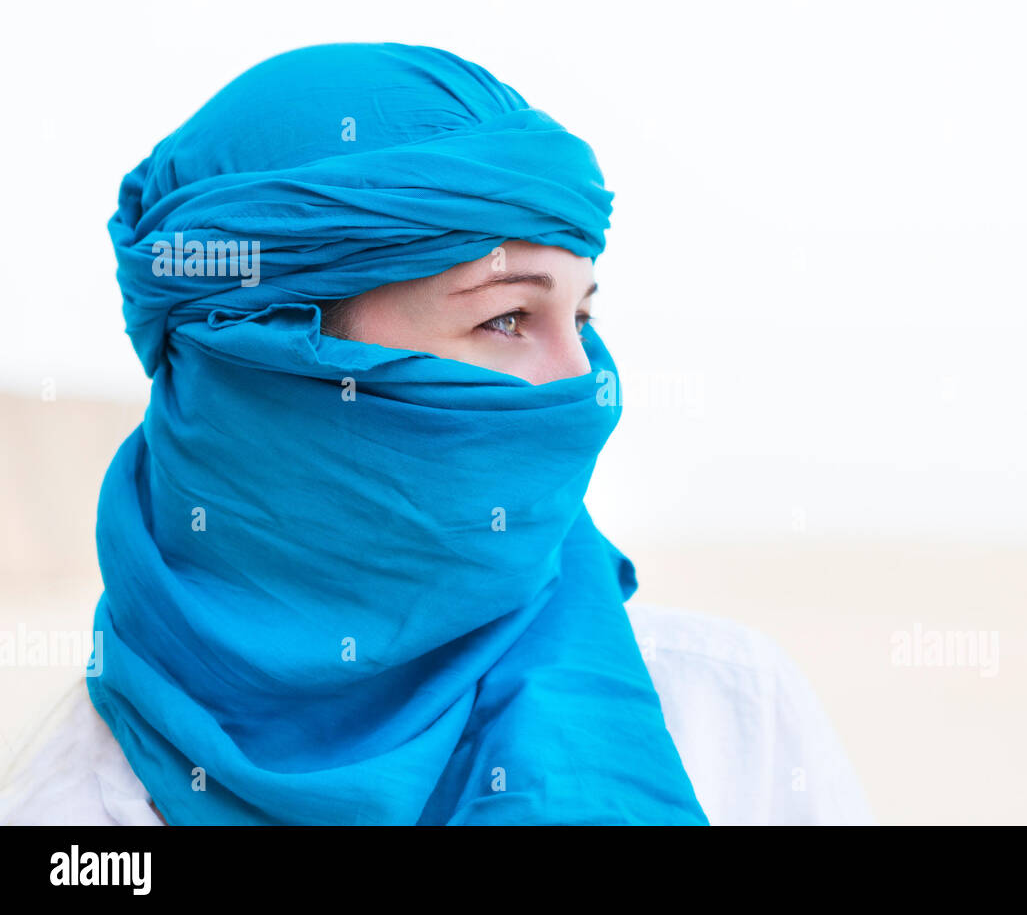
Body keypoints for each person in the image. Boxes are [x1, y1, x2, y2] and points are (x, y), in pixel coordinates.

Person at [0, 43, 873, 826]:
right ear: (269, 369)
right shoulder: (75, 811)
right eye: (506, 318)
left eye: (583, 314)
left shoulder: (728, 718)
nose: (585, 382)